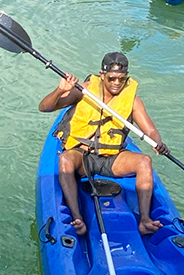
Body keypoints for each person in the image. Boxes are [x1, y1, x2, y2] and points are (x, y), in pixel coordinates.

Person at [38, 52, 169, 237]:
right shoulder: (83, 90)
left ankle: (145, 220)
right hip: (82, 157)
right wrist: (60, 90)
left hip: (112, 158)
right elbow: (45, 107)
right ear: (102, 75)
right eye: (112, 78)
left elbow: (150, 130)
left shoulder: (132, 100)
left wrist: (157, 141)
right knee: (65, 159)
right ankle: (78, 218)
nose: (116, 83)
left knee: (144, 161)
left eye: (121, 79)